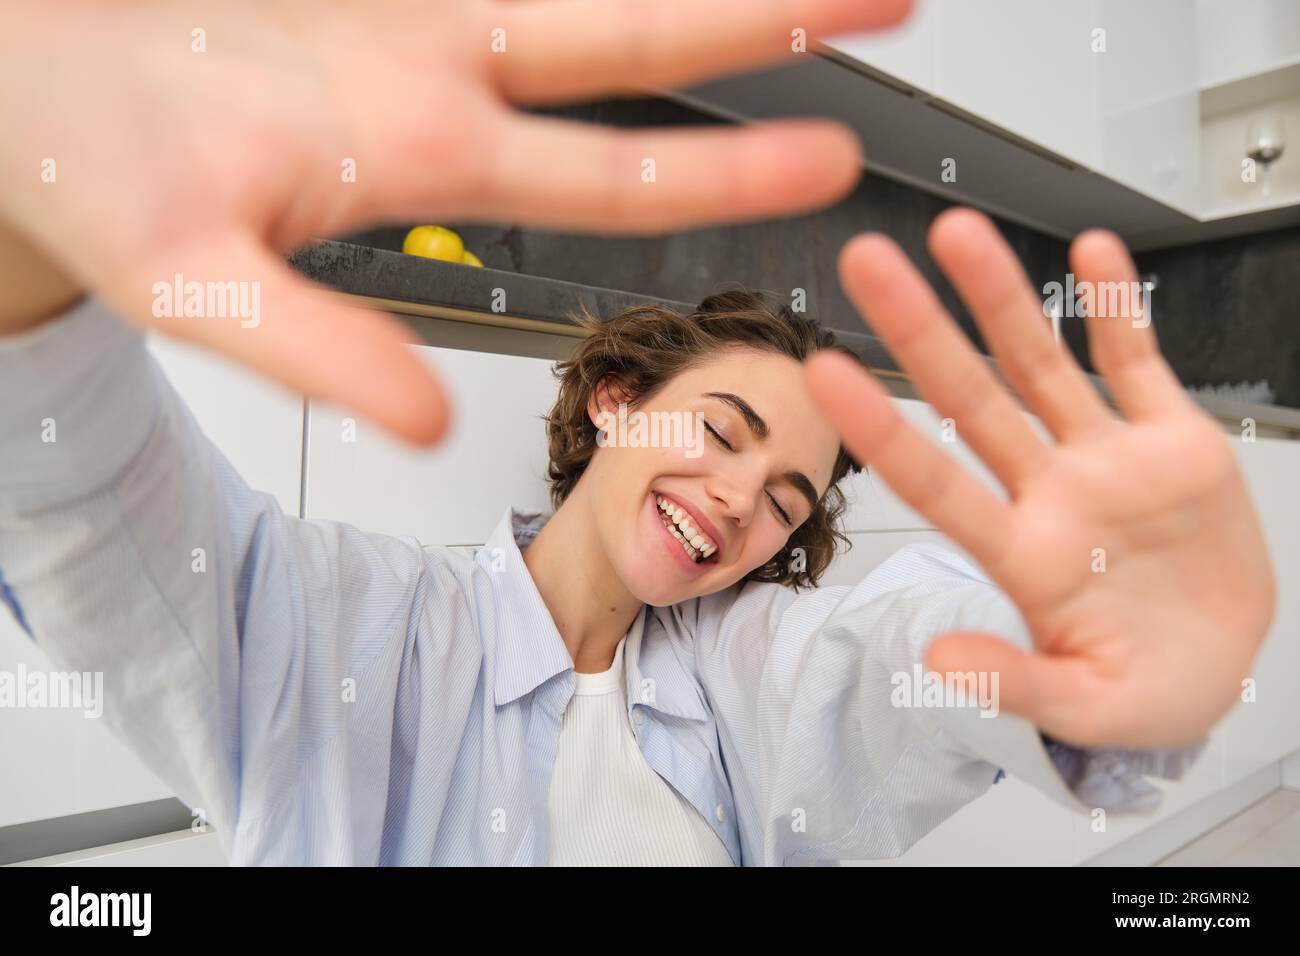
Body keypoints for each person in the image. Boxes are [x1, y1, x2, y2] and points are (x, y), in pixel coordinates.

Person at [0, 0, 1276, 865]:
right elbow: (97, 510)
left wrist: (1076, 632)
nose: (738, 500)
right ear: (614, 400)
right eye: (721, 431)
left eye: (787, 497)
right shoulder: (355, 628)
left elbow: (896, 660)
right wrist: (34, 252)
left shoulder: (737, 667)